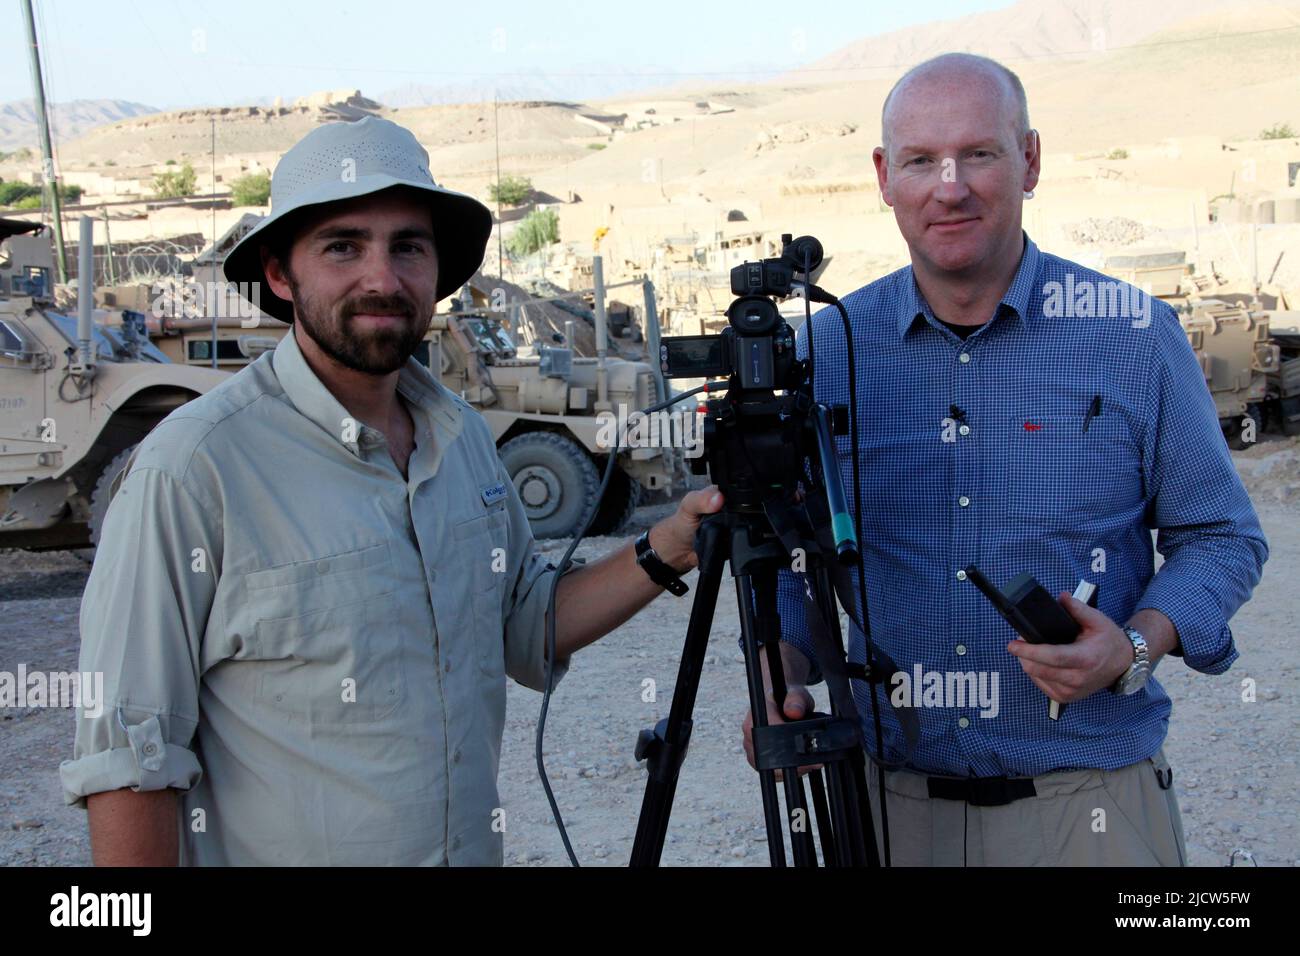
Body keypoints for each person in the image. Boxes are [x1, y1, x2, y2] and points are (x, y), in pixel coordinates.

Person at [62, 116, 721, 866]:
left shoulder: (461, 438)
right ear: (280, 274)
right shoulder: (192, 469)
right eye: (343, 246)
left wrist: (672, 544)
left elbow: (525, 623)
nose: (382, 278)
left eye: (407, 246)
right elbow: (130, 759)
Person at [742, 53, 1267, 865]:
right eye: (921, 160)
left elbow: (1222, 538)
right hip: (884, 816)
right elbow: (790, 555)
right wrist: (779, 668)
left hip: (1089, 811)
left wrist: (1133, 646)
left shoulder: (1132, 337)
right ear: (884, 176)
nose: (948, 188)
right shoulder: (827, 353)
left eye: (978, 154)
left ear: (1029, 160)